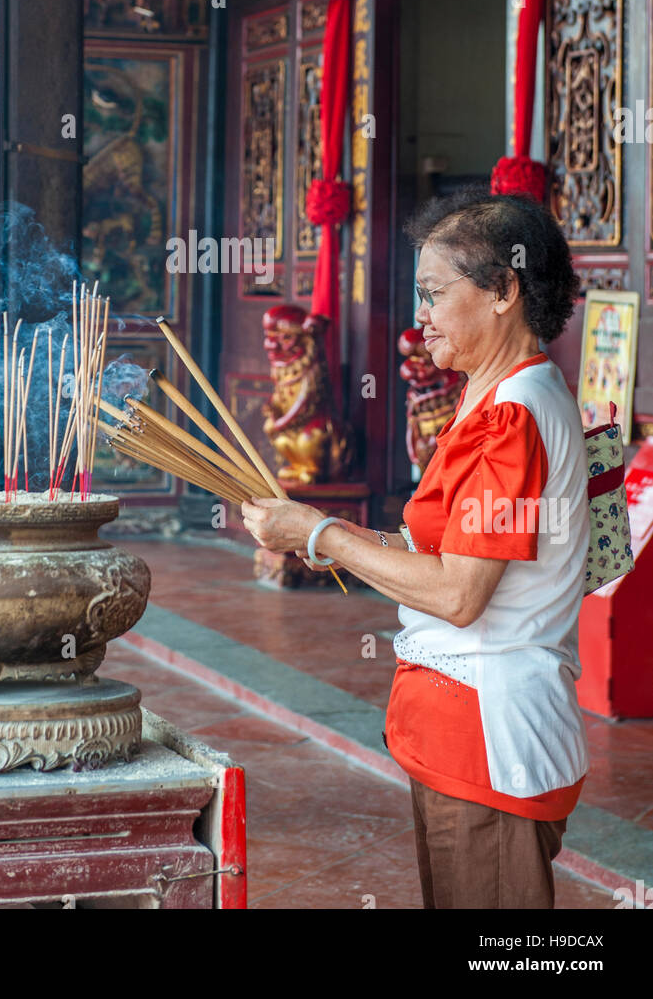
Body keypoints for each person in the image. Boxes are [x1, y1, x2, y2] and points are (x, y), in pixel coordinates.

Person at [241, 185, 589, 910]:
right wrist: (326, 537)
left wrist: (317, 532)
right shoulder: (490, 399)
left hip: (492, 736)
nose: (420, 316)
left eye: (432, 293)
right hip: (457, 728)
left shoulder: (511, 419)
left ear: (502, 290)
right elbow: (430, 547)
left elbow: (457, 594)